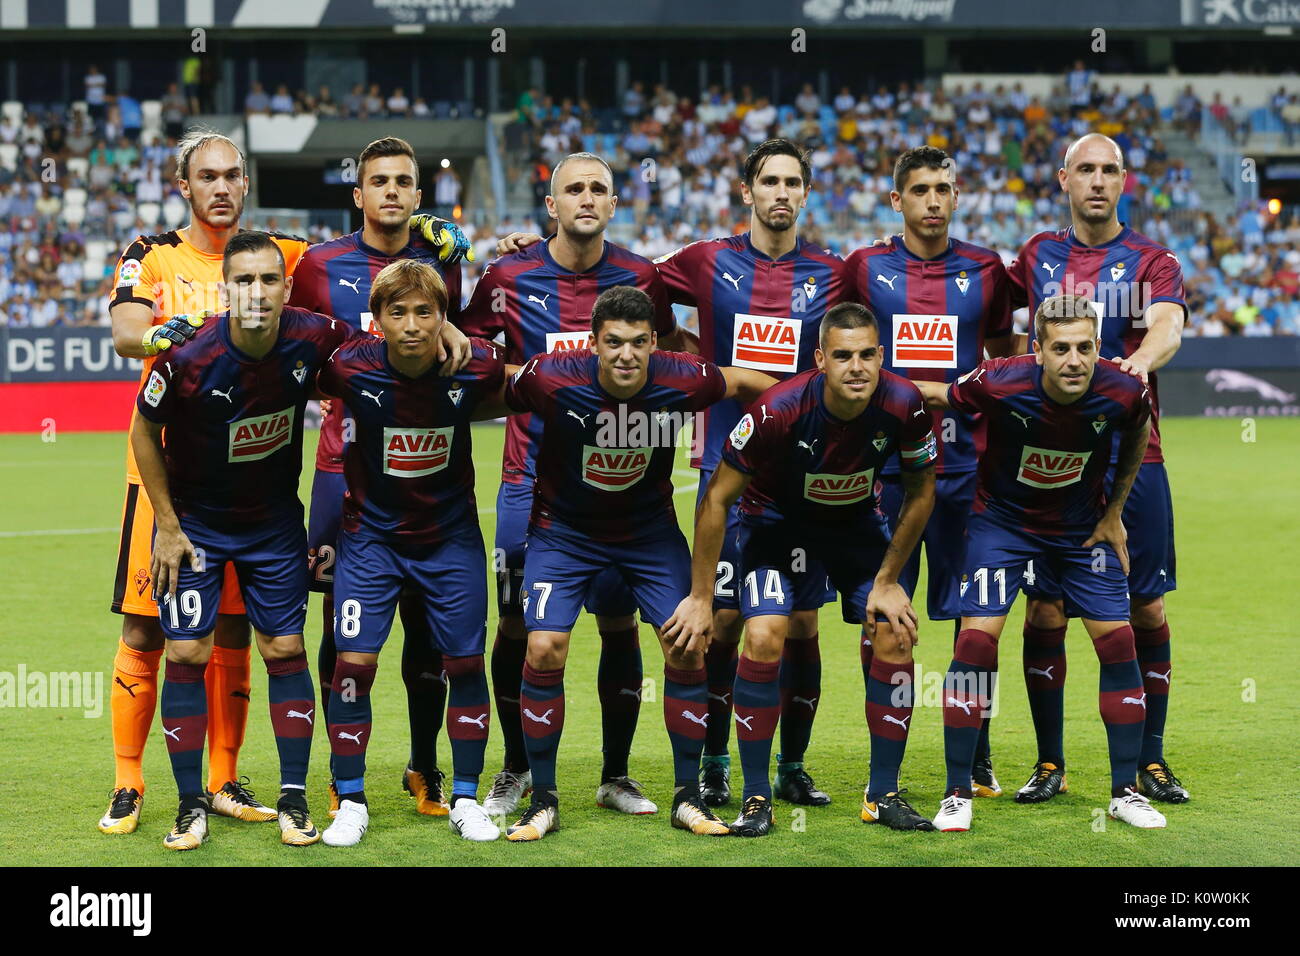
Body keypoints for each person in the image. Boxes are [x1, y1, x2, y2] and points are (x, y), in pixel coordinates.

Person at [99, 130, 470, 836]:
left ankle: (225, 778)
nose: (221, 187)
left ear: (246, 184)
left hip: (259, 495)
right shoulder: (150, 253)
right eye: (206, 176)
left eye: (233, 175)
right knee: (152, 631)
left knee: (245, 633)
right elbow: (124, 332)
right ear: (184, 186)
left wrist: (420, 229)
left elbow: (356, 250)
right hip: (168, 482)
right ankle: (128, 780)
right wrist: (164, 342)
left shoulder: (286, 252)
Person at [463, 152, 696, 820]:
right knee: (520, 627)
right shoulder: (508, 274)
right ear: (551, 205)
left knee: (620, 622)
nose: (587, 198)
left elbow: (668, 360)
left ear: (614, 203)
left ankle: (616, 775)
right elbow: (472, 353)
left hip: (623, 487)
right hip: (528, 483)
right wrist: (531, 376)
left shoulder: (641, 277)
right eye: (574, 189)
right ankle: (515, 768)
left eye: (599, 188)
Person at [501, 285, 775, 841]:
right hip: (564, 533)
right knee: (542, 646)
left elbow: (748, 381)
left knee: (686, 640)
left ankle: (686, 795)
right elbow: (488, 386)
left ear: (654, 342)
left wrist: (801, 411)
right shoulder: (551, 375)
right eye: (613, 343)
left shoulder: (683, 375)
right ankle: (545, 798)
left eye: (637, 343)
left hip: (648, 535)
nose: (626, 355)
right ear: (593, 343)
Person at [665, 303, 938, 835]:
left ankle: (882, 794)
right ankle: (756, 796)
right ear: (820, 359)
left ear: (881, 355)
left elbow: (922, 492)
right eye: (842, 356)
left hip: (856, 532)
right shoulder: (776, 411)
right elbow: (717, 499)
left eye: (866, 355)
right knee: (765, 635)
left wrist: (887, 582)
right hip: (775, 530)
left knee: (897, 633)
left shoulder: (905, 404)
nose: (856, 367)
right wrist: (701, 595)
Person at [129, 231, 356, 849]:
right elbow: (144, 434)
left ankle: (294, 800)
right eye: (244, 281)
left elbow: (381, 348)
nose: (257, 292)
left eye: (268, 280)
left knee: (284, 650)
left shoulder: (313, 337)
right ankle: (188, 804)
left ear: (286, 286)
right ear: (225, 288)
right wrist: (168, 527)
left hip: (274, 525)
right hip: (196, 527)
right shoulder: (188, 358)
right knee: (185, 655)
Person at [916, 294, 1167, 832]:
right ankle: (957, 793)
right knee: (976, 643)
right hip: (1001, 525)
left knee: (1119, 642)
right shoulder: (997, 381)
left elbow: (1139, 430)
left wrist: (1115, 512)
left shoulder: (1123, 389)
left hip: (1081, 530)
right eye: (1060, 349)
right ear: (1038, 351)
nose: (1073, 360)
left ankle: (1125, 791)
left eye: (1084, 348)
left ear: (1098, 347)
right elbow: (942, 395)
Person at [653, 140, 848, 811]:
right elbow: (633, 286)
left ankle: (792, 764)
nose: (782, 193)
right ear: (747, 191)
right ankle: (713, 763)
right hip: (725, 474)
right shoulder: (708, 261)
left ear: (806, 192)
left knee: (800, 625)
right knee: (726, 623)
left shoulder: (832, 273)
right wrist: (680, 354)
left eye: (794, 181)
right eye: (770, 181)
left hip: (805, 480)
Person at [289, 136, 473, 818]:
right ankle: (343, 780)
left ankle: (424, 767)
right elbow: (294, 346)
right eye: (379, 181)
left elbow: (471, 346)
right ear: (358, 194)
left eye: (404, 181)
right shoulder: (319, 266)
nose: (392, 191)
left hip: (430, 472)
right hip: (344, 472)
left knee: (429, 630)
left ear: (419, 196)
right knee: (344, 633)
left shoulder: (443, 265)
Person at [1006, 133, 1189, 806]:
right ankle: (1050, 762)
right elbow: (1006, 335)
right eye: (1086, 169)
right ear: (1063, 179)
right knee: (1046, 605)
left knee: (1146, 602)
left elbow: (1169, 323)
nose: (1098, 180)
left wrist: (1141, 360)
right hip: (1052, 459)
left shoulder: (1151, 259)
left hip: (1136, 456)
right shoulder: (1036, 255)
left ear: (1124, 182)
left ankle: (1152, 760)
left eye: (1110, 170)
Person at [317, 260, 511, 847]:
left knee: (466, 665)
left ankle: (466, 797)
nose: (410, 325)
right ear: (375, 320)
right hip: (370, 544)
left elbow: (541, 381)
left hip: (450, 543)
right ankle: (350, 799)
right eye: (396, 312)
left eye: (424, 312)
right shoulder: (349, 365)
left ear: (442, 318)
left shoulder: (476, 366)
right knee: (354, 666)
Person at [843, 146, 1015, 798]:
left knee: (977, 621)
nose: (933, 200)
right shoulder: (865, 268)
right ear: (897, 200)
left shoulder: (985, 268)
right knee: (885, 619)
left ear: (957, 192)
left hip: (970, 475)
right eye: (920, 189)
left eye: (944, 187)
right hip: (887, 475)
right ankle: (882, 767)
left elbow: (1003, 358)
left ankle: (974, 751)